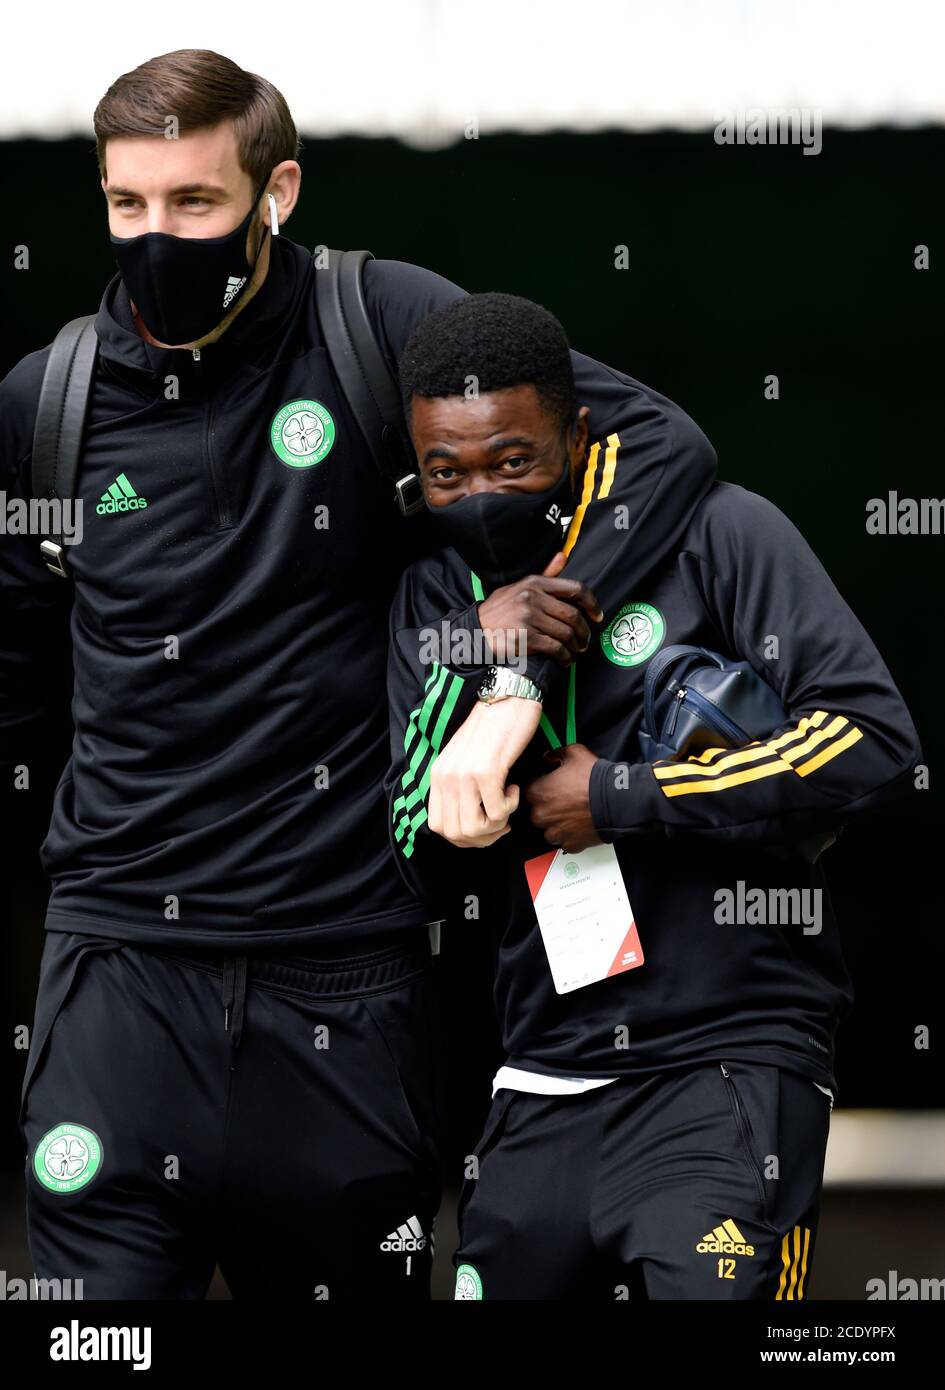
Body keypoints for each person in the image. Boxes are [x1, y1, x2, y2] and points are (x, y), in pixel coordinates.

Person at [0, 50, 713, 1299]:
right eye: (129, 205)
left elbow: (647, 440)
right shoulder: (45, 403)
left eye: (196, 204)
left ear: (277, 190)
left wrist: (512, 680)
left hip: (351, 981)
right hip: (117, 986)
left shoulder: (376, 325)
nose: (158, 235)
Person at [385, 290, 922, 1300]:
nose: (483, 496)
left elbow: (875, 741)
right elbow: (407, 836)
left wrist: (625, 793)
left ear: (582, 435)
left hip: (726, 1065)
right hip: (541, 1078)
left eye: (515, 462)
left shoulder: (719, 533)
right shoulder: (435, 598)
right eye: (446, 473)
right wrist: (481, 671)